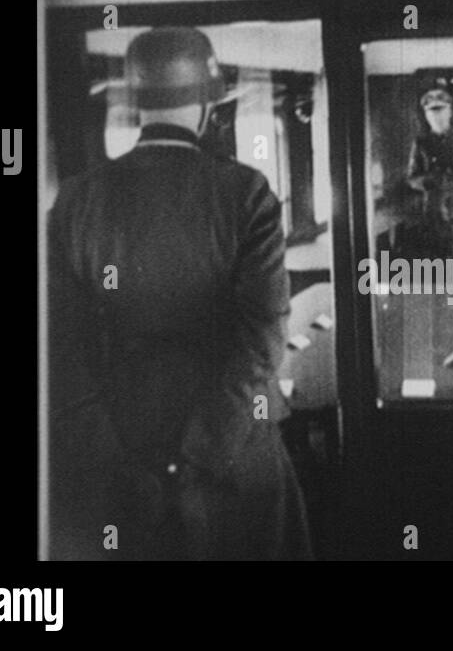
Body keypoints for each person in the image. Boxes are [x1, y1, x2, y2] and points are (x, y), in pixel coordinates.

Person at [47, 27, 312, 560]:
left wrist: (112, 458)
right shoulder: (246, 194)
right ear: (209, 105)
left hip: (120, 456)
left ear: (135, 103)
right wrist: (202, 455)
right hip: (234, 453)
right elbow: (263, 337)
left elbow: (58, 345)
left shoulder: (74, 202)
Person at [405, 87, 453, 261]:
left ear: (449, 112)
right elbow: (411, 178)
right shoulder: (421, 143)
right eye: (432, 112)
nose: (436, 116)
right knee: (437, 257)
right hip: (434, 211)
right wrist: (428, 181)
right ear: (426, 115)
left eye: (441, 110)